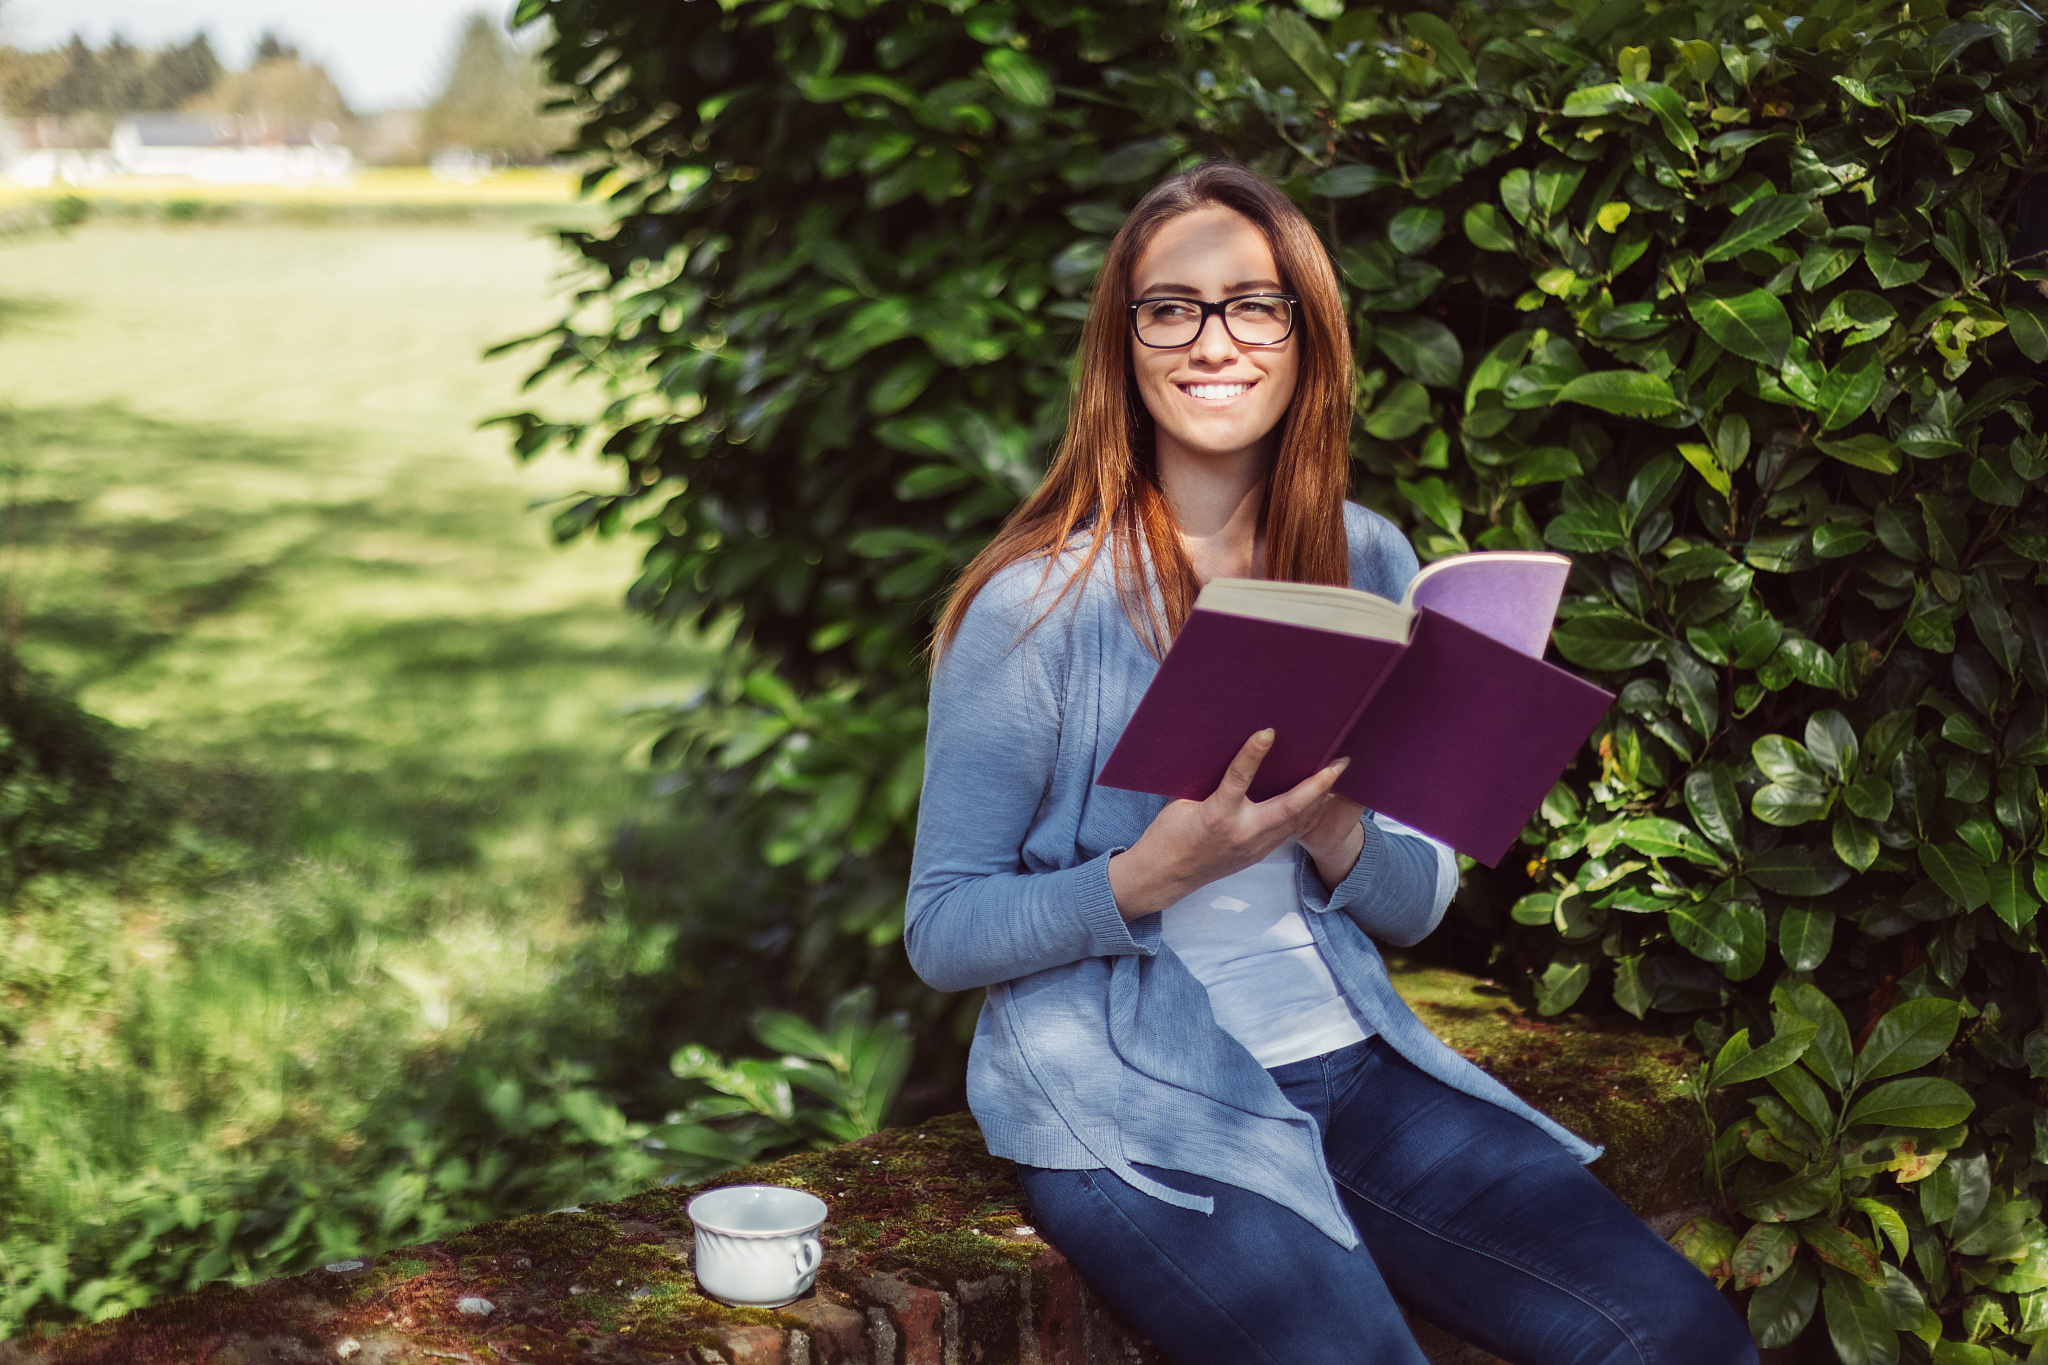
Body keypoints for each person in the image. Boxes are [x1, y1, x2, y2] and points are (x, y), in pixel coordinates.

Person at [905, 161, 1755, 1365]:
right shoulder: (1033, 606)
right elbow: (941, 930)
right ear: (1123, 343)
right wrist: (1143, 877)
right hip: (1136, 1097)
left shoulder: (1363, 555)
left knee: (1678, 1338)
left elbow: (1414, 904)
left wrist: (1334, 825)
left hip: (1352, 1064)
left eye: (1253, 304)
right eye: (1171, 307)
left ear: (1306, 339)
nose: (1213, 341)